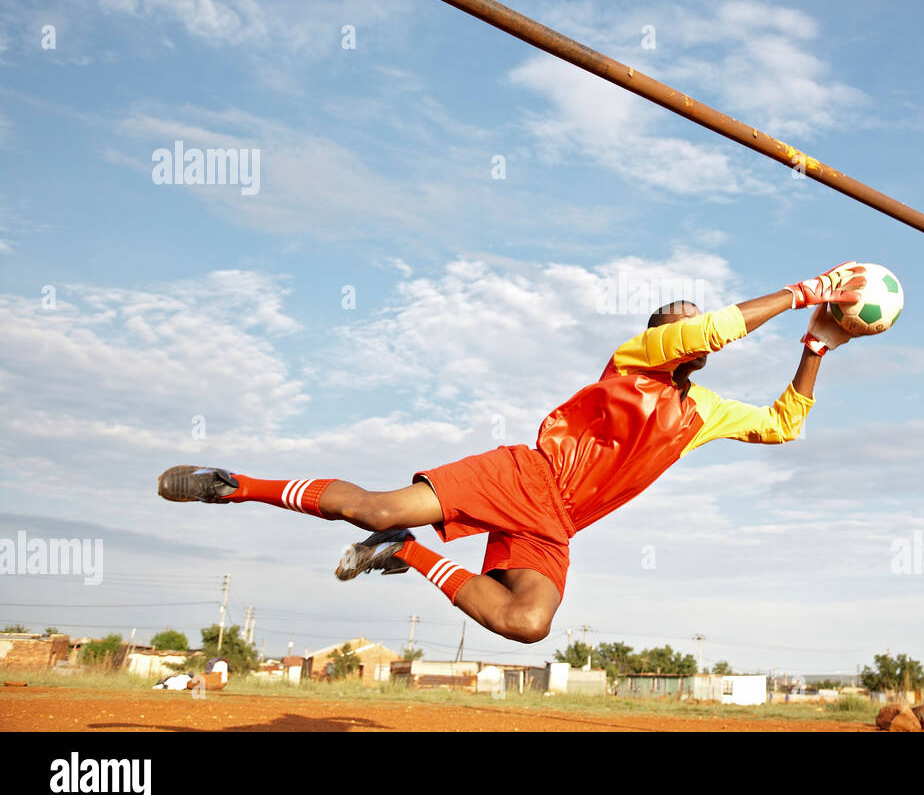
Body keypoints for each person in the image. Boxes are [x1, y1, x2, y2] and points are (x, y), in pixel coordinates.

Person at [158, 262, 867, 644]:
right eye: (682, 320)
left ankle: (404, 553)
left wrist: (814, 347)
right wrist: (805, 290)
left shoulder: (702, 412)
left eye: (696, 321)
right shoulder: (637, 360)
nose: (694, 327)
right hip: (523, 476)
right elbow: (709, 330)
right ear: (661, 334)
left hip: (556, 524)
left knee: (527, 625)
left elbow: (784, 425)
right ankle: (235, 484)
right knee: (369, 506)